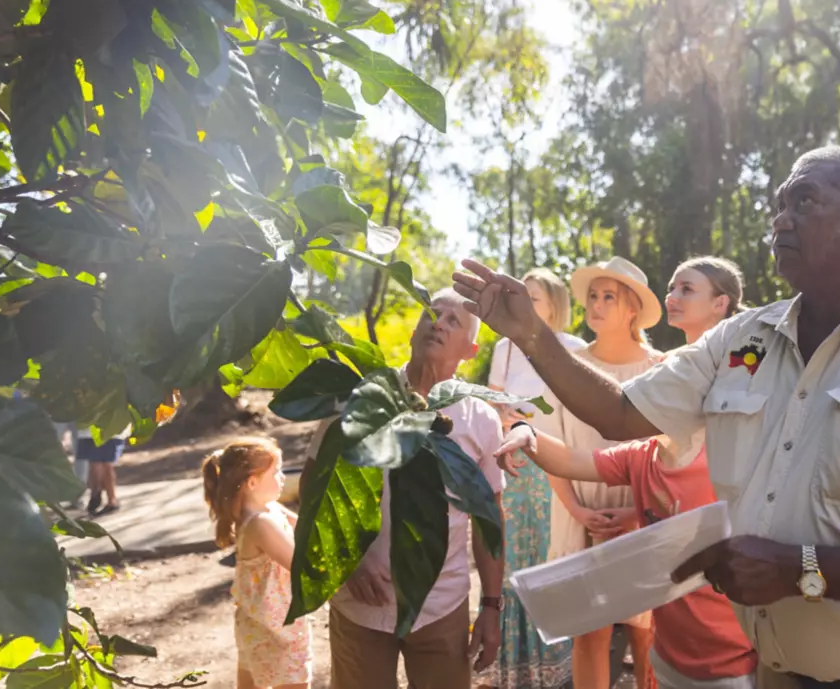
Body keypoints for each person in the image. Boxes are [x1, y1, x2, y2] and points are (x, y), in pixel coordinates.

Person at [454, 145, 840, 689]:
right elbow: (619, 411)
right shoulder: (746, 338)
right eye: (779, 205)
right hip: (783, 674)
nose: (781, 220)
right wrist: (532, 335)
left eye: (804, 201)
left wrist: (804, 570)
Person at [495, 257, 756, 689]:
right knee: (621, 636)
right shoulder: (641, 442)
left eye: (686, 289)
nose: (673, 297)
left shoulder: (740, 368)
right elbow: (581, 456)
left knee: (661, 632)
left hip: (699, 547)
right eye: (671, 288)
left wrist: (641, 516)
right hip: (630, 513)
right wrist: (529, 434)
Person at [303, 289, 506, 689]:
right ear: (413, 331)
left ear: (470, 349)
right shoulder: (360, 398)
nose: (438, 323)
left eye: (453, 321)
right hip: (359, 603)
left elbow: (488, 520)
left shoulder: (480, 418)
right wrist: (347, 563)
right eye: (432, 315)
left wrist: (492, 607)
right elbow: (314, 486)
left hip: (440, 605)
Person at [553, 256, 662, 689]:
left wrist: (639, 514)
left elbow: (672, 454)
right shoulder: (567, 367)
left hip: (645, 518)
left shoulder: (661, 369)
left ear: (632, 307)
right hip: (583, 519)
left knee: (648, 635)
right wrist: (578, 512)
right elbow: (552, 444)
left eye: (608, 297)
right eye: (592, 296)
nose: (595, 305)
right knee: (590, 635)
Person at [487, 268, 583, 689]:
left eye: (534, 297)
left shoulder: (575, 348)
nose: (522, 303)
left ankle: (557, 664)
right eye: (518, 296)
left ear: (555, 305)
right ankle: (513, 664)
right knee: (511, 561)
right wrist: (504, 414)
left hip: (556, 468)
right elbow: (492, 402)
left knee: (551, 555)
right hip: (515, 467)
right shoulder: (503, 349)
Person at [202, 437, 311, 689]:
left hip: (258, 621)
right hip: (278, 628)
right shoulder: (261, 523)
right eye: (276, 471)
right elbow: (302, 567)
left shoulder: (269, 509)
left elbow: (307, 528)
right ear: (252, 482)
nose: (283, 477)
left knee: (250, 681)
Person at [77, 427, 128, 515]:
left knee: (102, 463)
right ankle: (98, 496)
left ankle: (106, 498)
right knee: (98, 462)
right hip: (94, 429)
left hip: (104, 428)